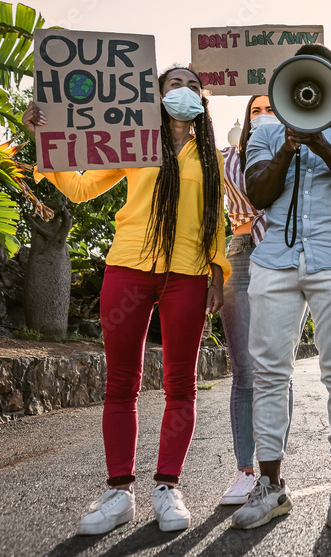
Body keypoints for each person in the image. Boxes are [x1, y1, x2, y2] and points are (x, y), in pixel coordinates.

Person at [24, 66, 231, 535]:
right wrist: (41, 136)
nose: (184, 92)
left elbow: (213, 217)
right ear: (156, 96)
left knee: (182, 383)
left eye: (193, 86)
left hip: (187, 274)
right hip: (128, 267)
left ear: (203, 99)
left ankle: (166, 487)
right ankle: (119, 492)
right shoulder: (133, 143)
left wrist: (217, 271)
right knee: (121, 383)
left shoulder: (210, 156)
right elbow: (79, 186)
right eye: (174, 84)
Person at [229, 41, 331, 530]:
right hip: (273, 262)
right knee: (270, 373)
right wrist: (291, 146)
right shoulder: (267, 131)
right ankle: (270, 485)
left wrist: (322, 144)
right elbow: (259, 193)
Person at [218, 95, 303, 505]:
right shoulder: (224, 157)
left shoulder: (300, 150)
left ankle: (273, 470)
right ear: (246, 120)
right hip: (240, 250)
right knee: (245, 370)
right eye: (256, 110)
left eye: (272, 108)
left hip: (283, 252)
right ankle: (244, 469)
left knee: (278, 367)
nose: (264, 115)